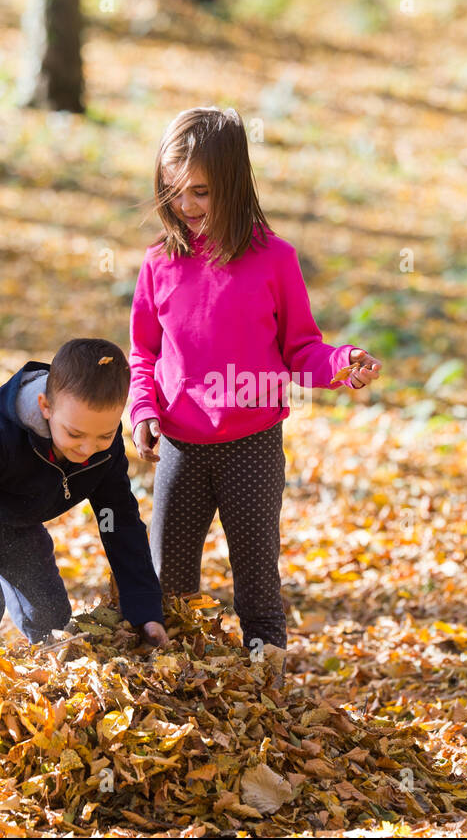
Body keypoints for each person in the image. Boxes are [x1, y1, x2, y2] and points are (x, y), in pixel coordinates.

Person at [128, 106, 382, 662]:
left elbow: (302, 350)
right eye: (174, 192)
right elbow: (144, 352)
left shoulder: (275, 261)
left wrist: (340, 362)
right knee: (165, 585)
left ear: (235, 184)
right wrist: (143, 409)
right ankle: (170, 689)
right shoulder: (160, 264)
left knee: (257, 588)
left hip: (252, 445)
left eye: (201, 192)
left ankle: (268, 693)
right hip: (180, 446)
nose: (186, 207)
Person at [0, 338, 167, 647]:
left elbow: (119, 524)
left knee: (51, 617)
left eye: (104, 435)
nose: (87, 450)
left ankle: (45, 666)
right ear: (45, 406)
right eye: (74, 433)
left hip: (14, 512)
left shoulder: (104, 456)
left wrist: (146, 610)